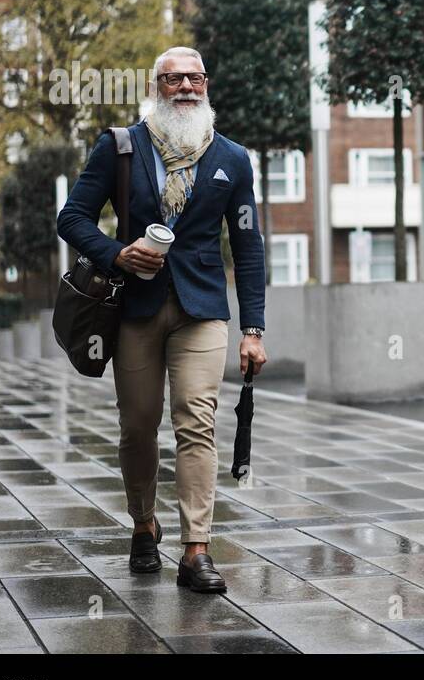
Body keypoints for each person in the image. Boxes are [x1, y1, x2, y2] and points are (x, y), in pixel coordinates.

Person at [57, 47, 267, 595]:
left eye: (193, 77)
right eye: (172, 79)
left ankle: (196, 548)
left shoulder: (232, 159)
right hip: (135, 308)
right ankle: (144, 524)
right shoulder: (121, 147)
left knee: (196, 420)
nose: (184, 88)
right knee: (138, 425)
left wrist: (253, 329)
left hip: (202, 309)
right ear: (156, 86)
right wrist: (116, 253)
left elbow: (248, 248)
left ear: (206, 83)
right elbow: (72, 217)